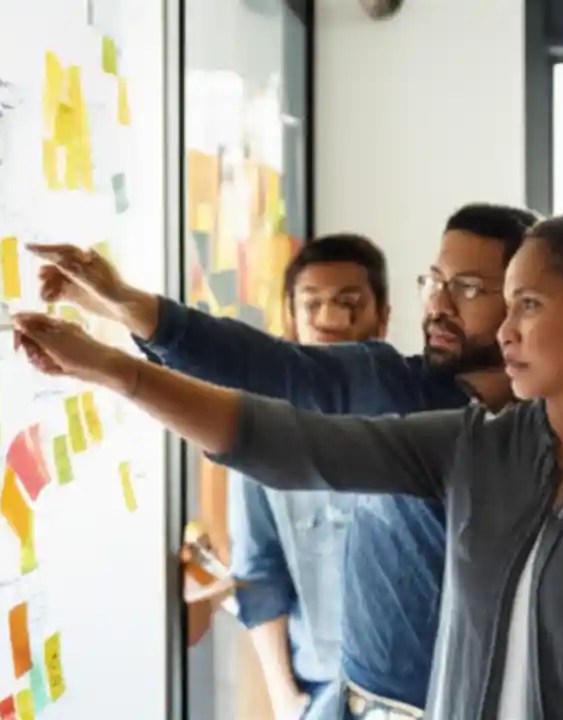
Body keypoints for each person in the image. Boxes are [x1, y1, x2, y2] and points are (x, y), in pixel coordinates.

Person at [14, 211, 563, 718]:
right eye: (438, 282)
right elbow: (281, 435)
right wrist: (113, 366)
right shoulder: (471, 444)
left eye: (522, 303)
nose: (504, 327)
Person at [27, 203, 538, 717]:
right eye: (434, 282)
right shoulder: (399, 384)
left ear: (523, 305)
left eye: (468, 288)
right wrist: (122, 304)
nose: (440, 304)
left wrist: (114, 361)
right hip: (349, 701)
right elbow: (267, 366)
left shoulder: (529, 439)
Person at [229, 234, 392, 718]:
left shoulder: (420, 416)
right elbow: (258, 571)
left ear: (382, 316)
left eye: (348, 304)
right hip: (317, 688)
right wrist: (284, 695)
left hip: (412, 689)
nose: (329, 320)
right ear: (291, 316)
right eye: (313, 304)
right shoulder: (261, 427)